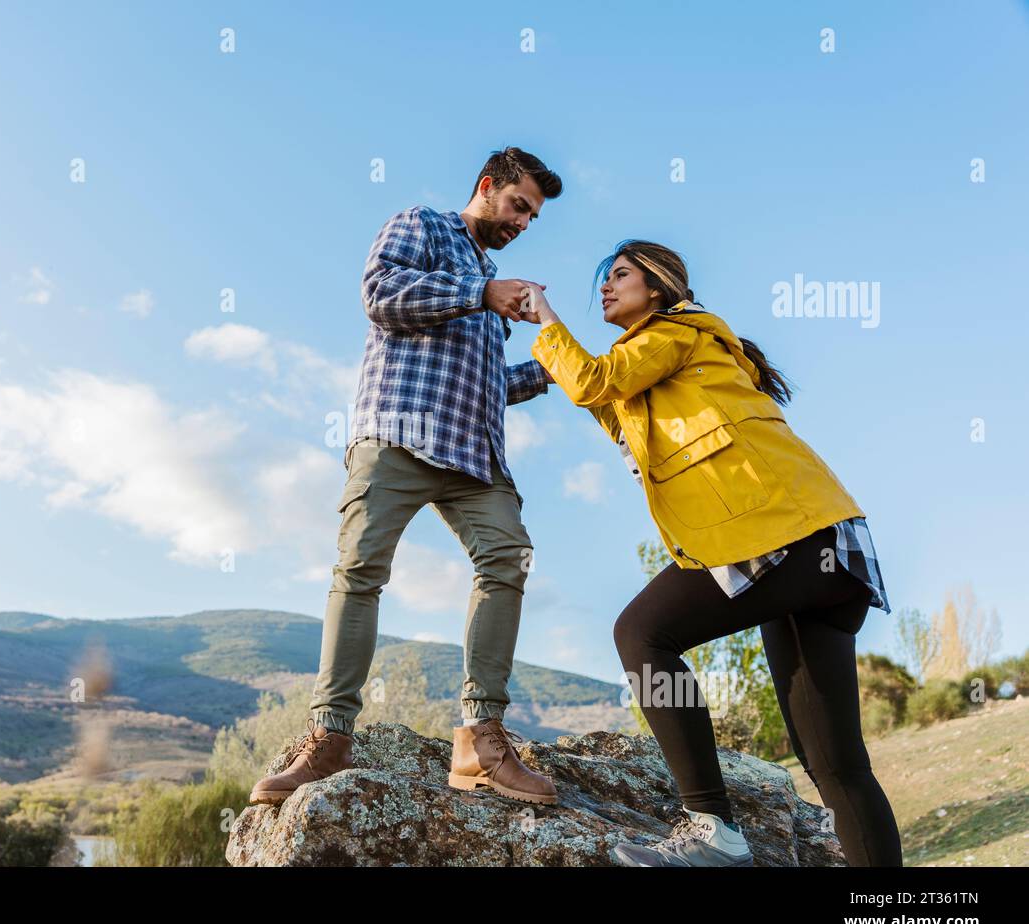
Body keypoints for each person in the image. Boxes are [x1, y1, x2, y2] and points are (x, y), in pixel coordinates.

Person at [526, 240, 902, 866]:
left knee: (642, 633)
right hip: (824, 546)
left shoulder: (676, 330)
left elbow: (594, 380)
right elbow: (608, 405)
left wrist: (545, 317)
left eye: (620, 275)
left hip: (784, 536)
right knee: (835, 765)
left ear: (660, 286)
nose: (605, 287)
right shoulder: (666, 360)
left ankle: (713, 831)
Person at [248, 147, 564, 807]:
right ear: (487, 186)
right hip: (398, 431)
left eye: (532, 217)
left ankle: (482, 739)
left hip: (473, 454)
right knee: (361, 570)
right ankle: (329, 739)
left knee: (507, 557)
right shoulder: (421, 224)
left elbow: (484, 385)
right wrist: (480, 293)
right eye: (519, 207)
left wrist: (545, 373)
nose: (524, 223)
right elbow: (381, 295)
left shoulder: (491, 277)